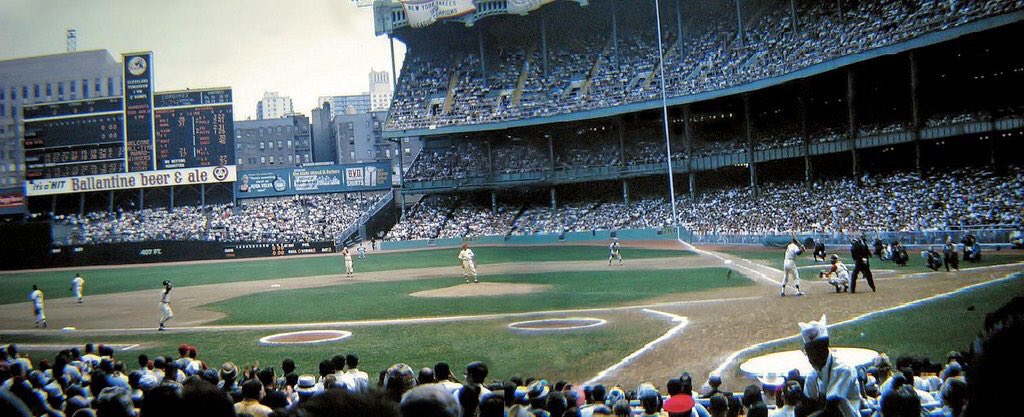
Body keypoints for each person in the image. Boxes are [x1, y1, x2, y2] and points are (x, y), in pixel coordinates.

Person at [798, 314, 861, 417]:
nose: (811, 357)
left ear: (824, 348)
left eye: (815, 351)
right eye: (808, 352)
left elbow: (832, 408)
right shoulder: (812, 374)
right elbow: (809, 402)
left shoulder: (843, 369)